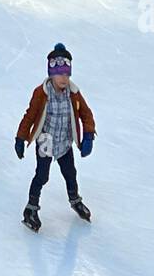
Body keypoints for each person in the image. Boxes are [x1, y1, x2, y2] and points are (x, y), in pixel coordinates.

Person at [15, 44, 95, 232]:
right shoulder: (41, 93)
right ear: (51, 74)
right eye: (59, 74)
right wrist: (21, 138)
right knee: (42, 175)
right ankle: (31, 209)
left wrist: (89, 135)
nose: (64, 78)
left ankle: (75, 199)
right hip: (46, 141)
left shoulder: (73, 94)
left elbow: (86, 114)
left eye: (67, 74)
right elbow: (29, 116)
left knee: (70, 173)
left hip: (65, 142)